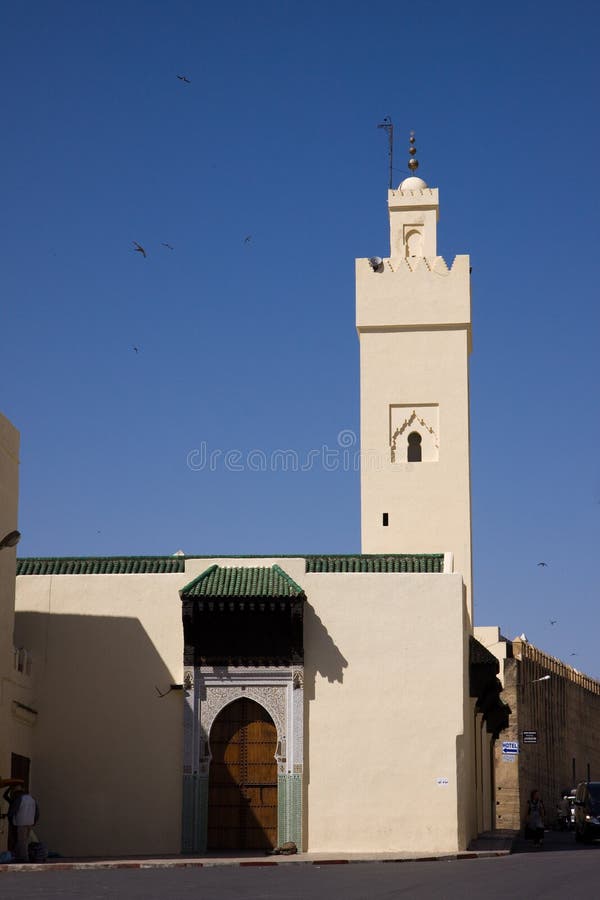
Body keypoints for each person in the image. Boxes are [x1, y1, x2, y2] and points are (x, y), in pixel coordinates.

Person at [9, 785, 39, 863]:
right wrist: (34, 821)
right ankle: (17, 854)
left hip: (21, 822)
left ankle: (24, 858)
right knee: (24, 840)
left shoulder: (20, 799)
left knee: (22, 841)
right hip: (30, 822)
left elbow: (14, 810)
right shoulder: (32, 799)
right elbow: (37, 812)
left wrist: (10, 818)